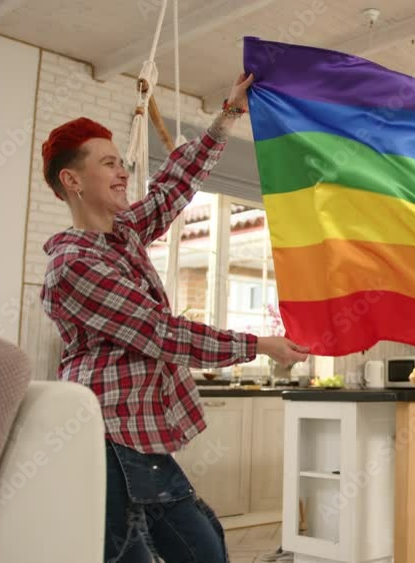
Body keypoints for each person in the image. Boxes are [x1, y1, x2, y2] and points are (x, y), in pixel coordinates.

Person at [39, 73, 309, 563]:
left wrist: (228, 114)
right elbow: (160, 332)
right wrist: (260, 345)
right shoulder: (76, 263)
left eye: (120, 161)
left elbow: (170, 189)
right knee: (170, 552)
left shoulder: (120, 235)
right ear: (72, 181)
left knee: (203, 545)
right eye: (108, 164)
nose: (122, 172)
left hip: (131, 437)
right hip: (107, 438)